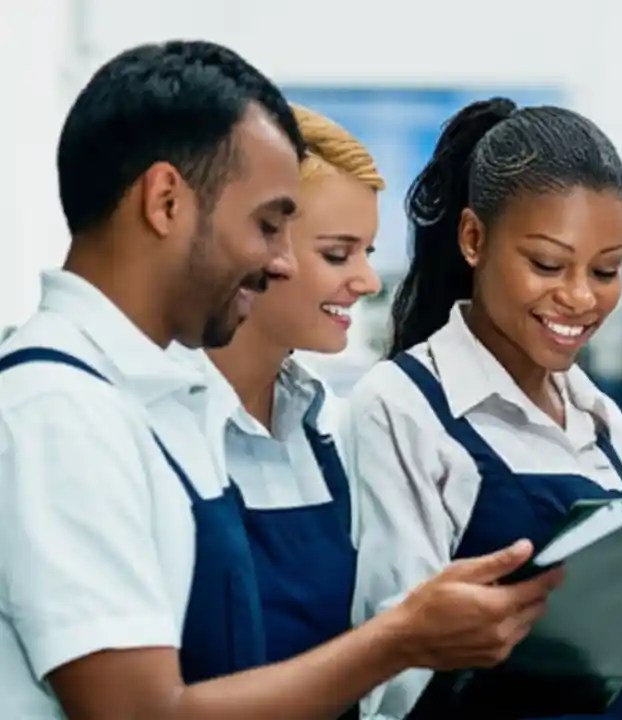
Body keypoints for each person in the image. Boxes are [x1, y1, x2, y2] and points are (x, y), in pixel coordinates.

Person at [0, 41, 560, 720]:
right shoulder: (57, 409)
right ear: (166, 202)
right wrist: (400, 639)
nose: (275, 260)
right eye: (267, 225)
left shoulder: (159, 398)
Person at [347, 98, 622, 719]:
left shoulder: (607, 429)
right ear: (472, 238)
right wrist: (513, 646)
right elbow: (385, 684)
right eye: (547, 264)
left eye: (606, 271)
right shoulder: (399, 409)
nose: (578, 297)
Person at [199, 104, 381, 683]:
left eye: (367, 253)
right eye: (337, 254)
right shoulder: (157, 422)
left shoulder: (331, 430)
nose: (368, 281)